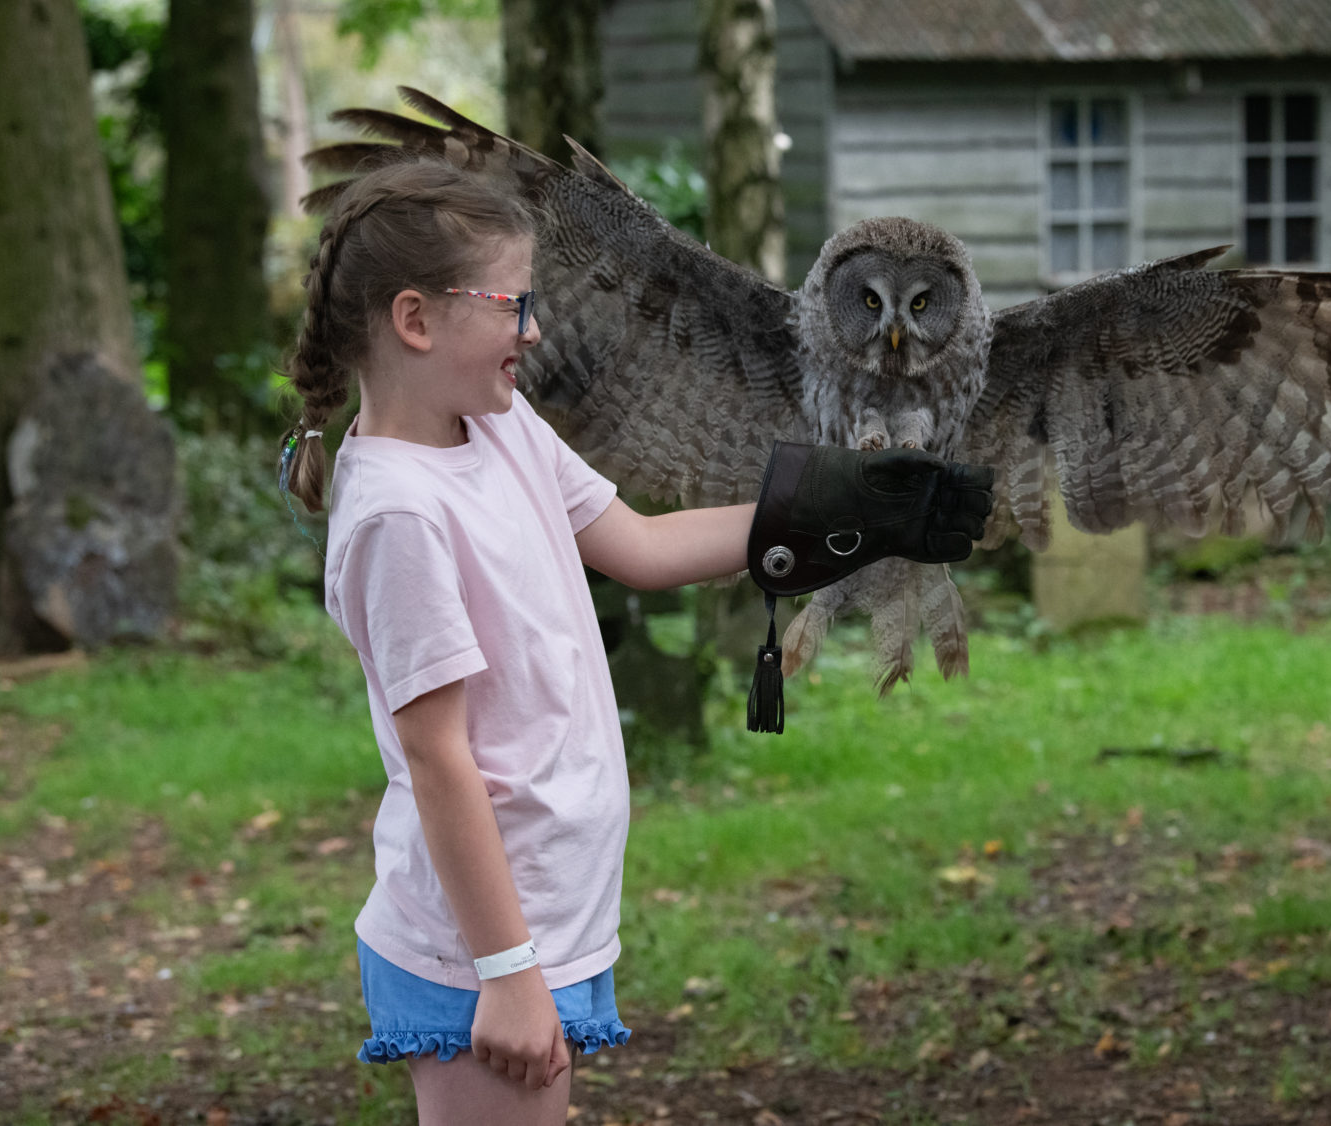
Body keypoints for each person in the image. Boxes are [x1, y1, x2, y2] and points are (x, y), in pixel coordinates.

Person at [279, 160, 985, 1124]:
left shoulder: (496, 428)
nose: (532, 328)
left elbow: (643, 547)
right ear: (416, 320)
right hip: (480, 944)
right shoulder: (398, 515)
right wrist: (508, 972)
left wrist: (847, 507)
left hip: (537, 919)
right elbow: (438, 760)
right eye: (511, 304)